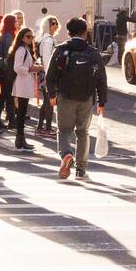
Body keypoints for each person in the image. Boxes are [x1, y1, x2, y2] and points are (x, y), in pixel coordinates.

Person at [46, 16, 108, 181]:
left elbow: (50, 75)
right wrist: (102, 102)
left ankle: (66, 154)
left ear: (68, 32)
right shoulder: (93, 52)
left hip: (65, 97)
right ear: (85, 33)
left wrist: (52, 94)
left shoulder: (61, 50)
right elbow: (101, 78)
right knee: (83, 133)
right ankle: (81, 170)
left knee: (64, 130)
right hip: (86, 98)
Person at [0, 13, 17, 130]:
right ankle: (8, 120)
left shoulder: (3, 35)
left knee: (5, 94)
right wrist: (10, 70)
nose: (17, 23)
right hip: (6, 70)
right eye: (15, 21)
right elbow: (8, 55)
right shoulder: (8, 36)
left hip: (2, 69)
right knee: (7, 95)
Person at [36, 16, 59, 134]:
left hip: (44, 73)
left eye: (56, 23)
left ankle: (41, 127)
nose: (56, 25)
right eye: (53, 23)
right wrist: (49, 76)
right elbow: (47, 59)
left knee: (46, 101)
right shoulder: (49, 40)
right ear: (47, 25)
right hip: (47, 74)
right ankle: (47, 128)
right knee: (50, 101)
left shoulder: (44, 39)